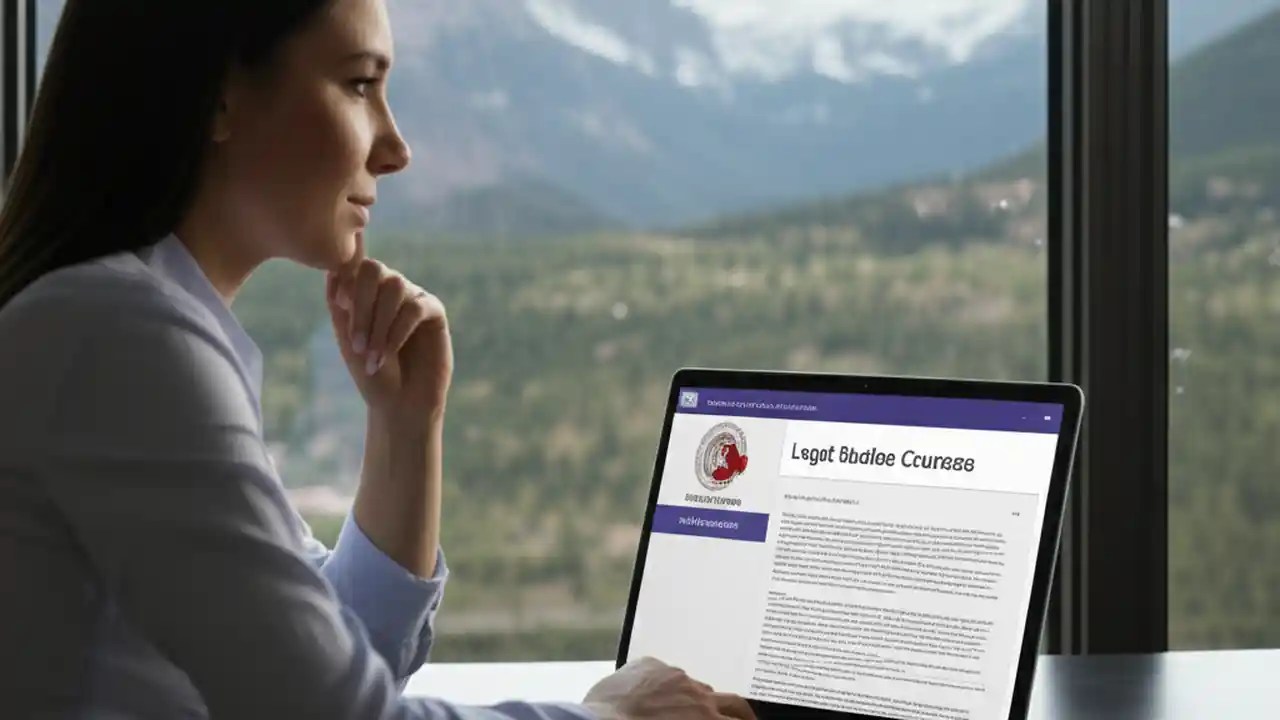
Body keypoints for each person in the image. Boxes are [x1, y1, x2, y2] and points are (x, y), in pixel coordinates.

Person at [0, 2, 756, 718]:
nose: (395, 149)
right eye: (360, 84)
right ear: (219, 95)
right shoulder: (121, 339)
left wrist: (404, 425)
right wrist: (611, 715)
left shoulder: (116, 324)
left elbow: (327, 653)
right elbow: (329, 711)